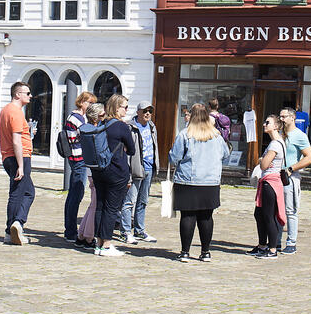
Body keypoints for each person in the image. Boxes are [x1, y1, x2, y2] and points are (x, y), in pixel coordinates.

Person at [167, 102, 228, 262]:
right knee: (206, 217)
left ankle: (185, 252)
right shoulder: (216, 135)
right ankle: (205, 252)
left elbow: (174, 158)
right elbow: (226, 154)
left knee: (187, 216)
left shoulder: (185, 134)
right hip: (210, 182)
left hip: (188, 181)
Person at [92, 93, 135, 257]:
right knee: (111, 208)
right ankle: (107, 245)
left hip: (99, 170)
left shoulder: (102, 124)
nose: (126, 110)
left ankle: (98, 244)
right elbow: (132, 149)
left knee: (100, 206)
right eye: (125, 107)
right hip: (116, 171)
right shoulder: (122, 127)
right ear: (117, 108)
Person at [0, 81, 34, 245]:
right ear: (17, 94)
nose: (30, 96)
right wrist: (21, 165)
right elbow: (16, 140)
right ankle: (12, 227)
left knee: (27, 192)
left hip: (9, 156)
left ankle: (16, 224)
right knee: (18, 193)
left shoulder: (5, 110)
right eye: (27, 93)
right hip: (19, 157)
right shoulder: (15, 112)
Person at [121, 101, 160, 244]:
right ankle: (125, 231)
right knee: (129, 201)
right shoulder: (130, 128)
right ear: (138, 112)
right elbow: (126, 152)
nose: (148, 113)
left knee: (143, 201)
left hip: (149, 168)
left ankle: (139, 230)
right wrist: (128, 172)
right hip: (136, 169)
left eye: (150, 111)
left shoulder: (151, 127)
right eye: (145, 111)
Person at [278, 105, 311, 254]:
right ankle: (275, 241)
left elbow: (310, 157)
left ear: (292, 117)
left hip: (290, 177)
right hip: (277, 176)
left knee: (290, 210)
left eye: (284, 116)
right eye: (280, 116)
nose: (281, 119)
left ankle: (291, 242)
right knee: (277, 210)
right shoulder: (280, 134)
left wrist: (291, 169)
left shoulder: (299, 135)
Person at [251, 114, 287, 259]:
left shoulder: (275, 144)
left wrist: (262, 160)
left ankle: (272, 249)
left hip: (270, 182)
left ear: (276, 126)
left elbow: (264, 164)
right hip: (268, 181)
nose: (264, 124)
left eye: (268, 122)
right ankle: (262, 245)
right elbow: (264, 161)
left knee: (268, 216)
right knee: (259, 214)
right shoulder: (277, 142)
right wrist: (263, 160)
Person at [63, 90, 97, 245]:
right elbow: (83, 135)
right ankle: (70, 230)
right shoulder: (76, 118)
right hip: (78, 159)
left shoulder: (80, 117)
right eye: (89, 102)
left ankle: (70, 229)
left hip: (80, 158)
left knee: (75, 193)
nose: (91, 105)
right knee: (75, 194)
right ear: (82, 102)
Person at [76, 102, 106, 249]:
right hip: (95, 170)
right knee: (95, 204)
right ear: (96, 117)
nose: (105, 117)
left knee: (92, 204)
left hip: (90, 169)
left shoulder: (85, 129)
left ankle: (81, 234)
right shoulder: (95, 131)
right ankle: (88, 237)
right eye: (102, 115)